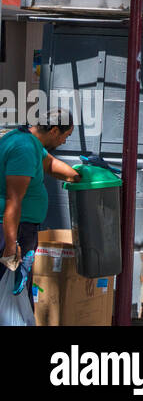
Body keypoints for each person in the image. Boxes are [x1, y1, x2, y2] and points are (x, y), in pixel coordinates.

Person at [2, 109, 80, 307]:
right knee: (13, 293)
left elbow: (50, 164)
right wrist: (11, 246)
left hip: (20, 228)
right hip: (13, 230)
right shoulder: (24, 149)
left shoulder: (28, 141)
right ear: (54, 131)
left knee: (18, 293)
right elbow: (14, 200)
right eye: (65, 136)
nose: (64, 141)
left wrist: (79, 176)